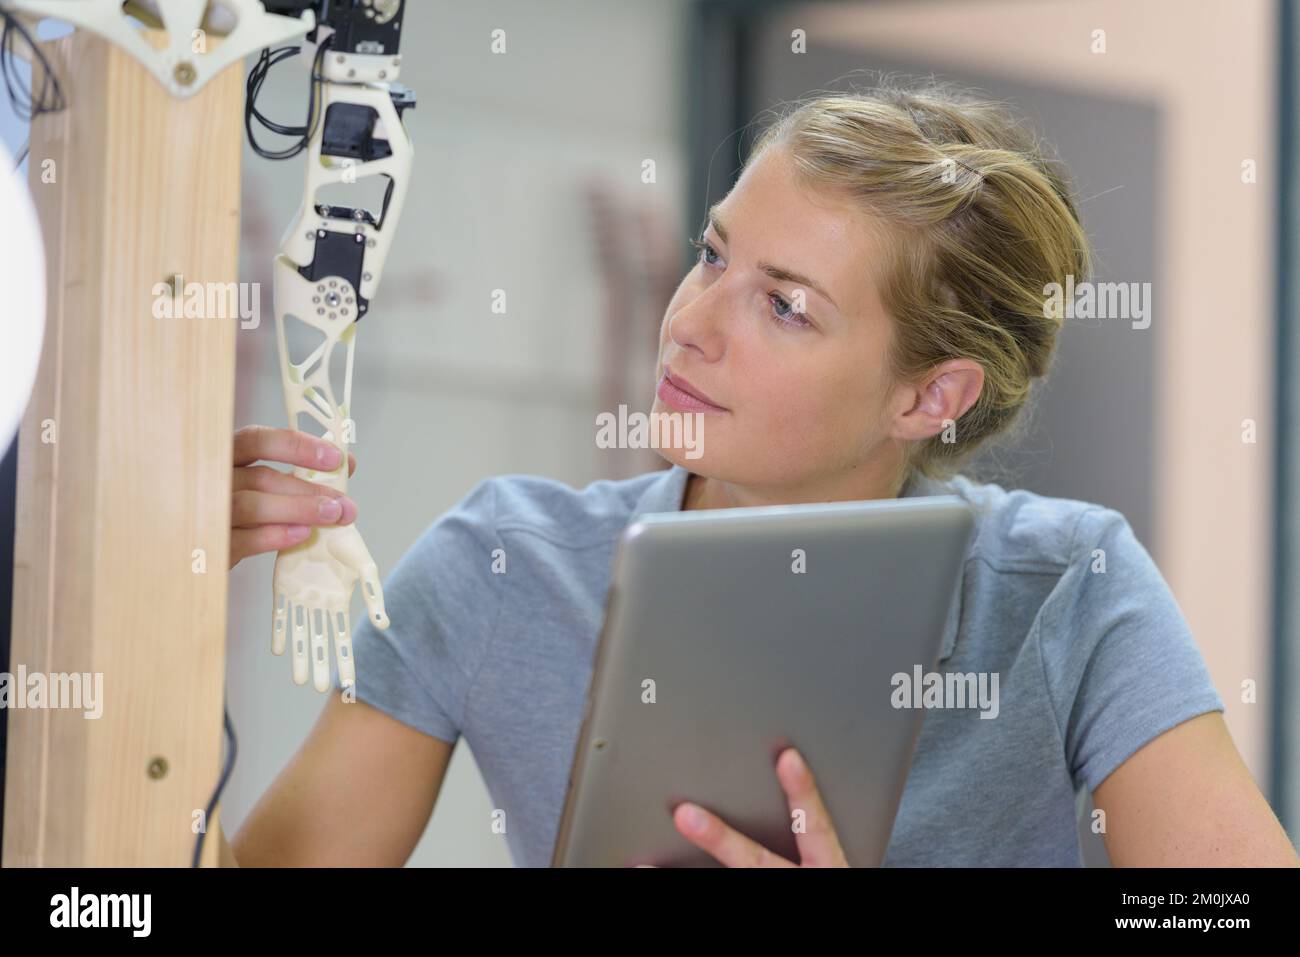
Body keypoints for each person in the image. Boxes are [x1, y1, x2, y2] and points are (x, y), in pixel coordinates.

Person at [219, 81, 1299, 867]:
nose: (688, 325)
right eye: (712, 254)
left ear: (929, 398)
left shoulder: (1069, 587)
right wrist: (145, 597)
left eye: (783, 305)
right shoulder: (499, 564)